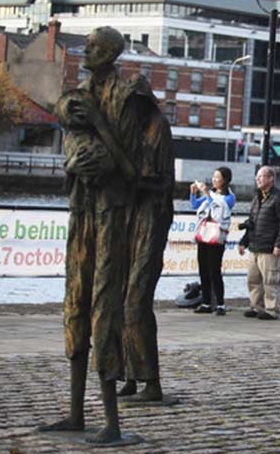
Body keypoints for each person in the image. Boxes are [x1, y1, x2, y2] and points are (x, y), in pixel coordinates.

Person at [40, 26, 143, 444]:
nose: (89, 50)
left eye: (97, 47)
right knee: (74, 305)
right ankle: (75, 412)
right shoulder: (75, 97)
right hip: (80, 212)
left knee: (104, 309)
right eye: (89, 45)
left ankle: (112, 423)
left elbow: (133, 171)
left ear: (112, 54)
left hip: (111, 216)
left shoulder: (125, 98)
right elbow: (71, 148)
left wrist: (99, 123)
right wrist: (73, 164)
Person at [118, 93, 174, 402]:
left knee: (135, 304)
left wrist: (133, 182)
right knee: (123, 301)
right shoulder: (136, 130)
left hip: (151, 225)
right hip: (132, 223)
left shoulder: (159, 128)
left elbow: (163, 183)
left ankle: (151, 382)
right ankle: (131, 375)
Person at [240, 166, 280, 320]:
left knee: (271, 280)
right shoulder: (257, 198)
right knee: (253, 279)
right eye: (257, 176)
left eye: (261, 176)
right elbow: (251, 222)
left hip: (270, 247)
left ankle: (271, 309)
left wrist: (279, 244)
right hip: (255, 246)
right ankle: (256, 306)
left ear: (271, 179)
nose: (258, 179)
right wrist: (244, 241)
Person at [191, 167, 235, 315]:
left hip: (216, 236)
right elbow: (195, 205)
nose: (214, 180)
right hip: (204, 235)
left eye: (218, 178)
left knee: (214, 270)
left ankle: (220, 303)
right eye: (213, 177)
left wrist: (206, 193)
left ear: (225, 180)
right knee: (203, 268)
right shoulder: (211, 194)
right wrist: (193, 192)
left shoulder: (229, 197)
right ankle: (206, 302)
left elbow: (219, 210)